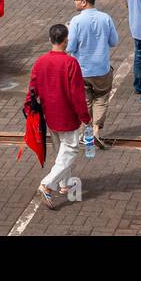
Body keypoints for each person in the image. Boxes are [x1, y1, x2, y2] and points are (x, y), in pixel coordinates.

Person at [28, 24, 92, 209]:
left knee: (60, 151)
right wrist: (85, 117)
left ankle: (64, 184)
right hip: (68, 117)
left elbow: (33, 88)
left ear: (50, 40)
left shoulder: (40, 62)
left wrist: (29, 109)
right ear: (66, 40)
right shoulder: (71, 63)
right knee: (70, 150)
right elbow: (78, 96)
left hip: (50, 115)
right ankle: (47, 184)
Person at [66, 0, 119, 150]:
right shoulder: (106, 18)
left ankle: (86, 134)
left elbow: (70, 46)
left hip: (82, 71)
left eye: (76, 0)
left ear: (84, 2)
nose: (74, 2)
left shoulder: (76, 21)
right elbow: (114, 42)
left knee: (85, 102)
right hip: (102, 69)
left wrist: (68, 31)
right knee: (102, 100)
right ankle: (96, 132)